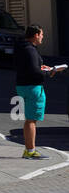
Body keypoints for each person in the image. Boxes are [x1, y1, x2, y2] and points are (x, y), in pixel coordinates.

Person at [15, 24, 64, 159]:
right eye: (41, 34)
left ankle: (29, 150)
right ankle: (30, 151)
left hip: (22, 85)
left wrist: (40, 67)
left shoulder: (22, 47)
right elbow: (34, 71)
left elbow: (29, 67)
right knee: (32, 120)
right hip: (33, 87)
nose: (42, 37)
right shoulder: (30, 50)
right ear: (36, 35)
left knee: (29, 119)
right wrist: (50, 72)